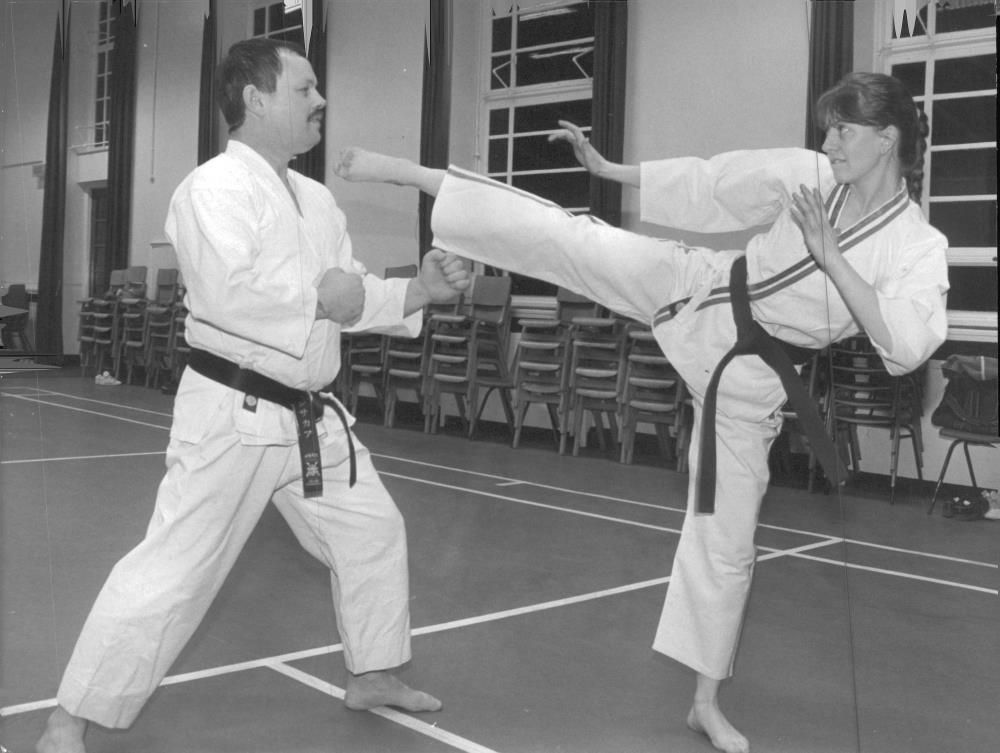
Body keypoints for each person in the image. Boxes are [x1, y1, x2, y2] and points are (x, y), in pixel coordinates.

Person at [332, 72, 948, 753]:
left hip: (753, 377)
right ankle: (415, 175)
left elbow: (906, 345)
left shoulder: (917, 246)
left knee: (727, 539)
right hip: (701, 287)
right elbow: (712, 186)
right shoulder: (809, 178)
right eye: (829, 127)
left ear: (887, 138)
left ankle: (705, 701)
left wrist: (834, 259)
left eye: (844, 129)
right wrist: (607, 167)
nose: (828, 141)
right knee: (580, 242)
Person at [36, 38, 469, 753]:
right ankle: (68, 719)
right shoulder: (210, 189)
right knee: (176, 568)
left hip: (310, 416)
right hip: (234, 415)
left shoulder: (318, 200)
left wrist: (420, 289)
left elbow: (349, 293)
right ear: (255, 99)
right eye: (305, 89)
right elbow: (230, 294)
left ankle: (372, 670)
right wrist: (322, 296)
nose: (320, 101)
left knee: (373, 530)